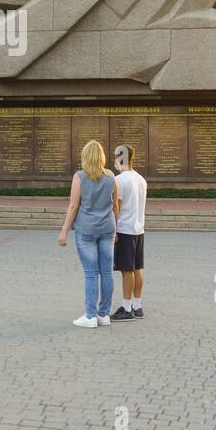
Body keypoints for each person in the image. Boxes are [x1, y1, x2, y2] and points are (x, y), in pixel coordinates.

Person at [58, 139, 119, 328]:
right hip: (107, 228)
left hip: (86, 230)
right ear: (101, 157)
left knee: (91, 274)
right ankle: (104, 314)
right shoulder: (111, 177)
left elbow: (74, 205)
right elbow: (115, 205)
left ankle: (90, 316)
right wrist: (115, 229)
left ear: (85, 157)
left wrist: (64, 231)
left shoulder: (79, 177)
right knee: (107, 272)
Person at [109, 144, 148, 321]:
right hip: (139, 229)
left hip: (125, 229)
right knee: (137, 268)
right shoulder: (141, 179)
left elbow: (117, 206)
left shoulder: (120, 180)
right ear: (133, 158)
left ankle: (126, 308)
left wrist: (114, 230)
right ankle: (137, 306)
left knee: (126, 270)